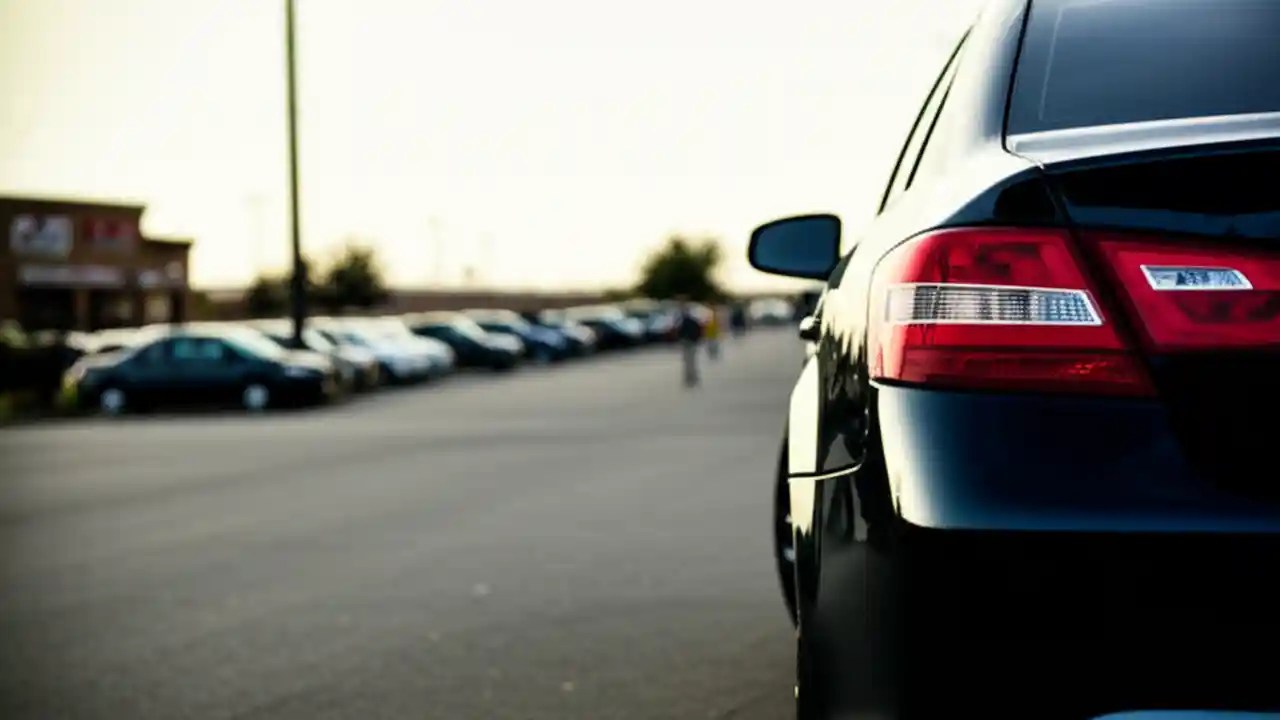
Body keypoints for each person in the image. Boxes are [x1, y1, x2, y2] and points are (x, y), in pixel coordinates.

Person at [677, 298, 702, 387]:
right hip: (691, 343)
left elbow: (680, 332)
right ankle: (692, 377)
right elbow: (699, 331)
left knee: (688, 361)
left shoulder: (683, 321)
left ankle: (690, 377)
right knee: (691, 361)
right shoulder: (693, 321)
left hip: (688, 343)